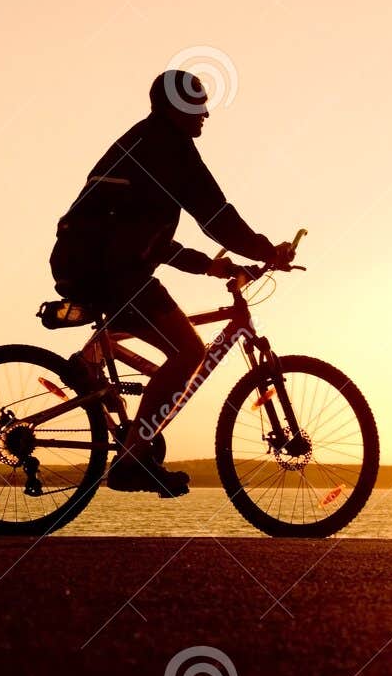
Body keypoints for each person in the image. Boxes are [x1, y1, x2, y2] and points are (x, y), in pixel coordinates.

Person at [50, 70, 294, 497]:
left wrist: (209, 267)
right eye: (196, 110)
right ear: (175, 111)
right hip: (107, 268)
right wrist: (266, 251)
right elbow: (216, 215)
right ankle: (130, 462)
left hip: (96, 261)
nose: (204, 118)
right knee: (188, 351)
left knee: (175, 343)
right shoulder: (168, 149)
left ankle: (90, 368)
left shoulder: (148, 143)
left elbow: (150, 240)